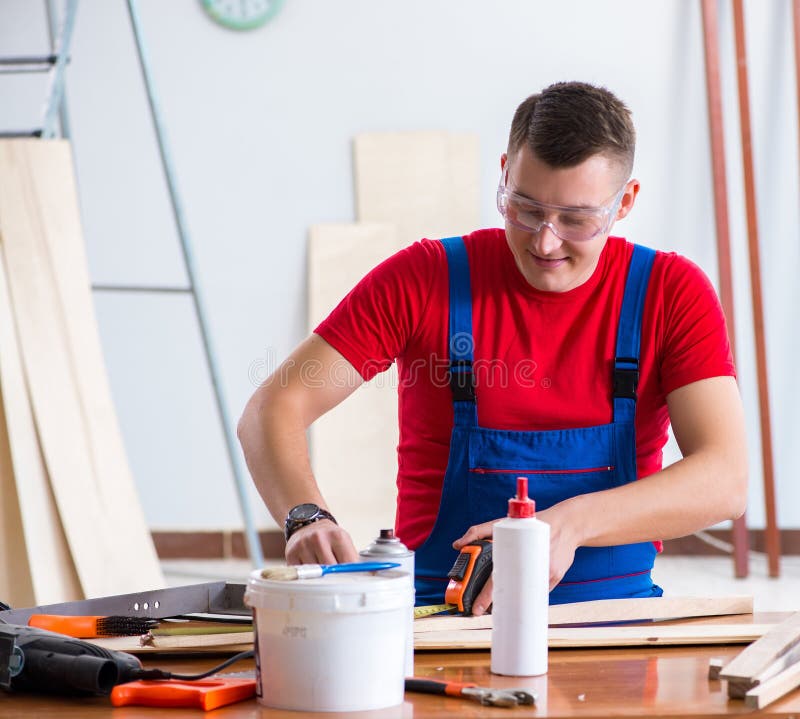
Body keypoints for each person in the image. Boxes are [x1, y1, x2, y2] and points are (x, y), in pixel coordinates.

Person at [238, 81, 747, 612]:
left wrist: (563, 527)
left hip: (614, 619)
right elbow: (272, 408)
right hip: (443, 620)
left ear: (626, 203)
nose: (546, 241)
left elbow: (725, 478)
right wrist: (306, 516)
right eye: (526, 208)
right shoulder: (426, 279)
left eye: (576, 219)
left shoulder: (669, 292)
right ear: (504, 174)